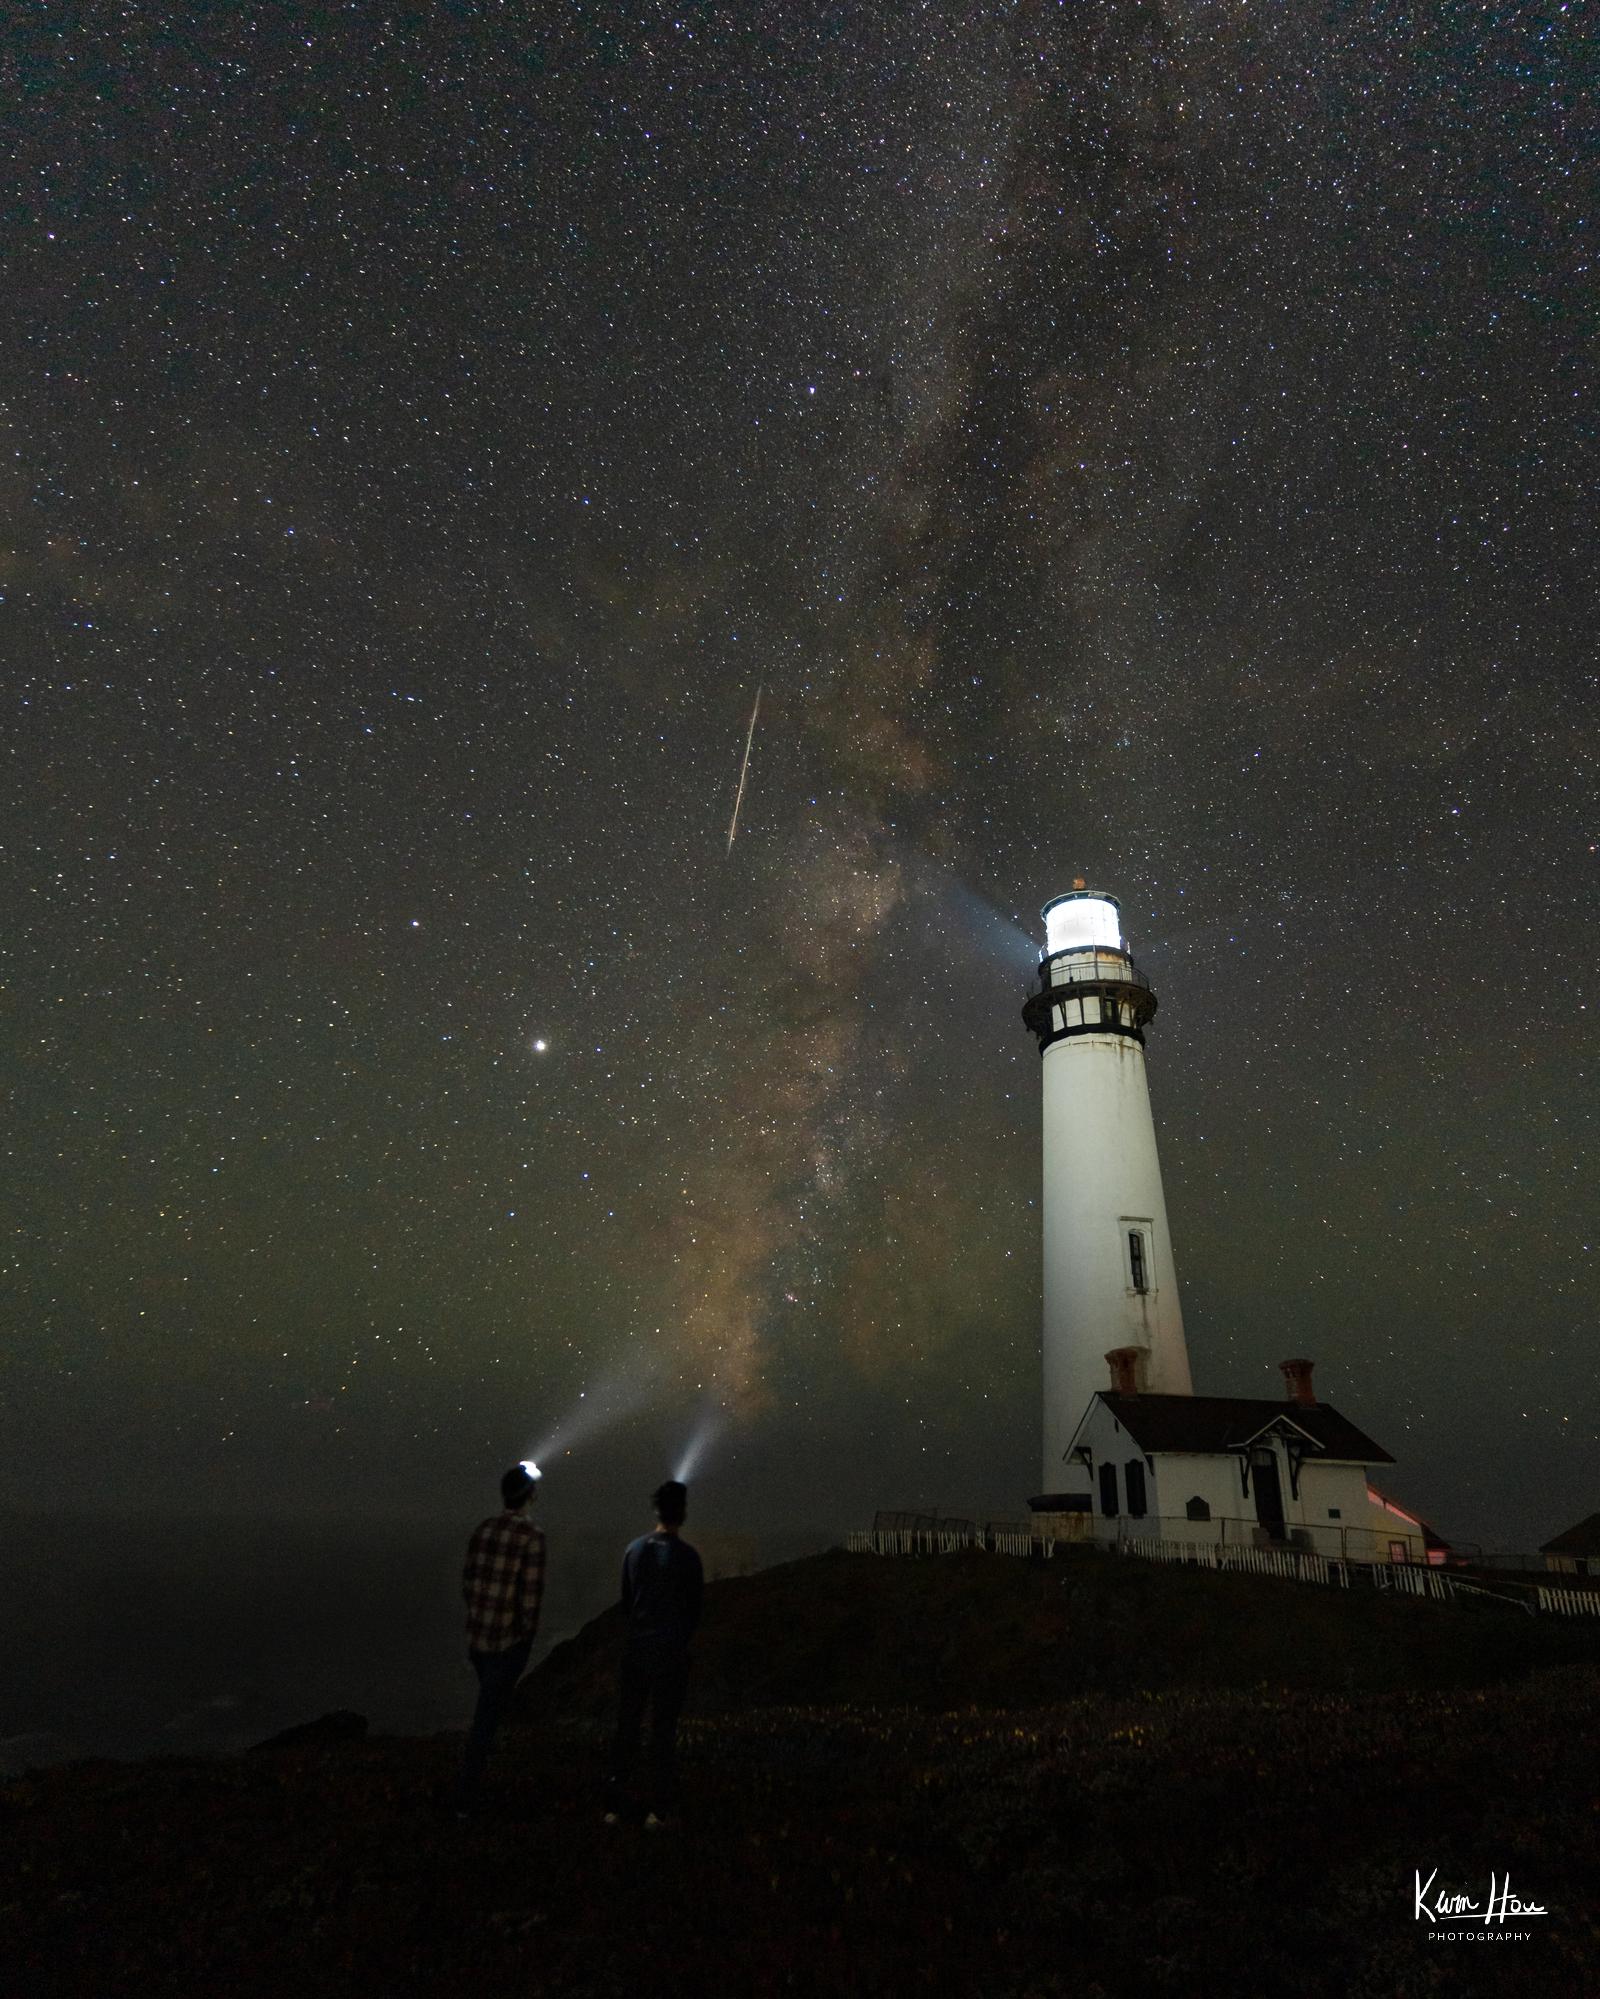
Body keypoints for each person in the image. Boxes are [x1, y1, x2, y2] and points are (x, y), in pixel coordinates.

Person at [605, 1479, 704, 1828]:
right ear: (683, 1513)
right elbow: (695, 1610)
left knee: (627, 1727)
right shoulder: (689, 1558)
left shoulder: (634, 1551)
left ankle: (615, 1806)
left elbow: (627, 1602)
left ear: (656, 1511)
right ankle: (657, 1809)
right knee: (662, 1731)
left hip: (637, 1651)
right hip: (671, 1655)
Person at [453, 1462, 546, 1817]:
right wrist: (524, 1638)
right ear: (530, 1495)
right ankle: (465, 1799)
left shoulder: (484, 1529)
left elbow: (468, 1582)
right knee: (486, 1718)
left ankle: (476, 1785)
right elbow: (530, 1601)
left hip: (479, 1639)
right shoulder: (532, 1537)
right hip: (508, 1643)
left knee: (489, 1710)